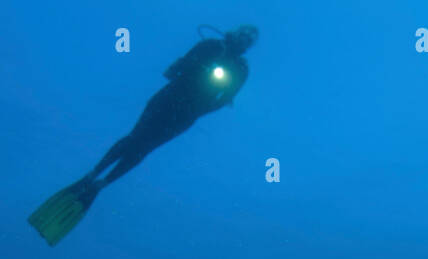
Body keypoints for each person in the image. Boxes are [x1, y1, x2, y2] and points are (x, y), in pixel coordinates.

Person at [29, 24, 258, 246]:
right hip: (168, 99)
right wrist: (198, 70)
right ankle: (94, 174)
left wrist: (200, 108)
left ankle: (102, 183)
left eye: (250, 38)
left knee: (144, 147)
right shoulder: (211, 46)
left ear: (251, 45)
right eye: (244, 33)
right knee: (136, 137)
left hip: (187, 114)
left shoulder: (240, 69)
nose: (244, 39)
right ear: (235, 32)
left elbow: (224, 100)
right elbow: (174, 69)